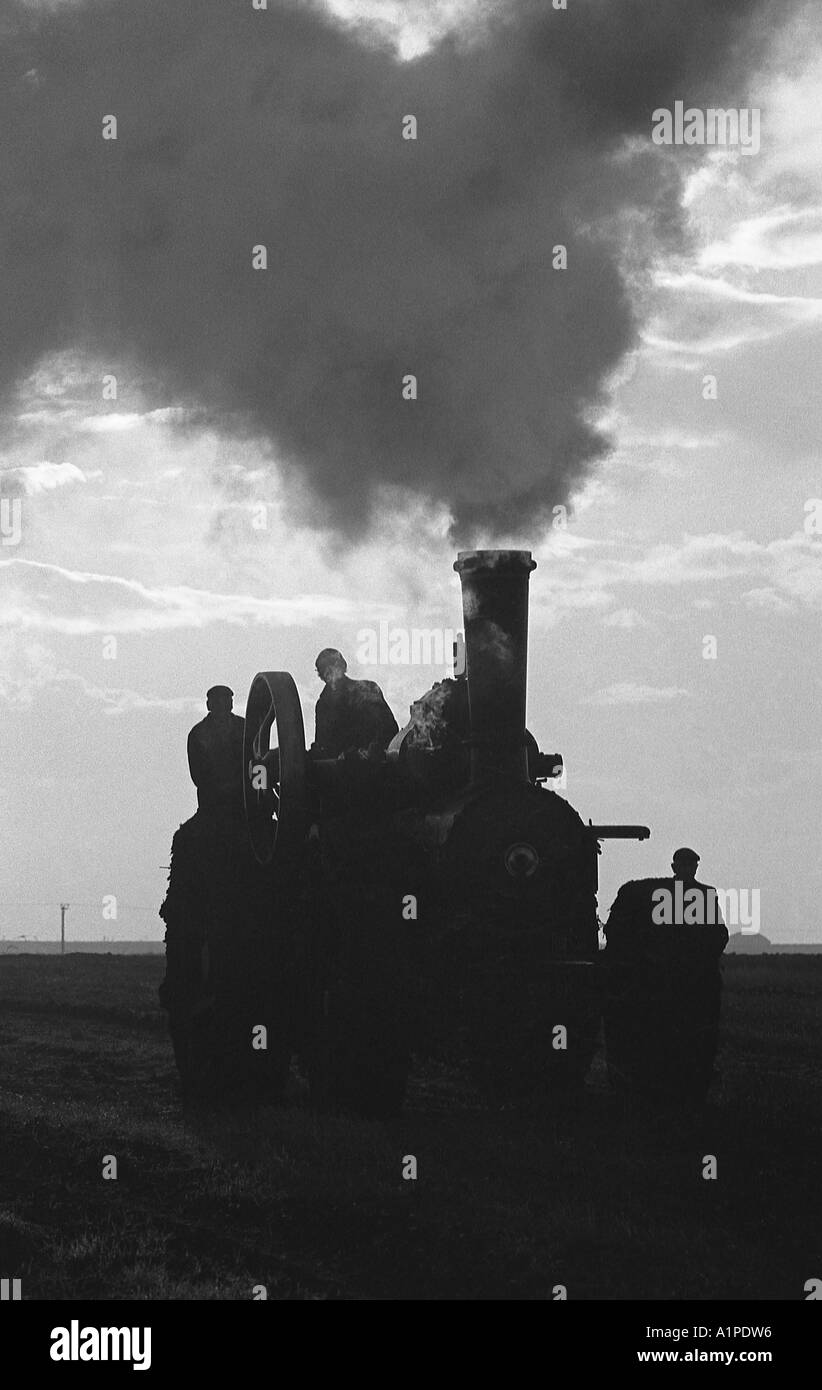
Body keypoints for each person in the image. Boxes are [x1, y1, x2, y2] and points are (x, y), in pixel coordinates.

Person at [604, 847, 728, 1104]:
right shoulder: (684, 895)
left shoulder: (702, 895)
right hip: (674, 979)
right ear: (675, 867)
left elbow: (717, 935)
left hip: (689, 979)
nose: (687, 870)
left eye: (691, 865)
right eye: (684, 865)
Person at [312, 649, 398, 759]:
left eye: (330, 670)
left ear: (341, 666)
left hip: (369, 765)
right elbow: (322, 744)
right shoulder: (323, 705)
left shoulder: (367, 690)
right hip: (337, 769)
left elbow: (389, 728)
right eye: (325, 672)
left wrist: (368, 751)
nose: (329, 676)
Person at [187, 685, 245, 814]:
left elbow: (260, 762)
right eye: (218, 702)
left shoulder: (245, 727)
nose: (222, 705)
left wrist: (261, 790)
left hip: (245, 799)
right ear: (209, 705)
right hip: (212, 803)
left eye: (226, 701)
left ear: (231, 704)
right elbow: (198, 775)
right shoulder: (198, 734)